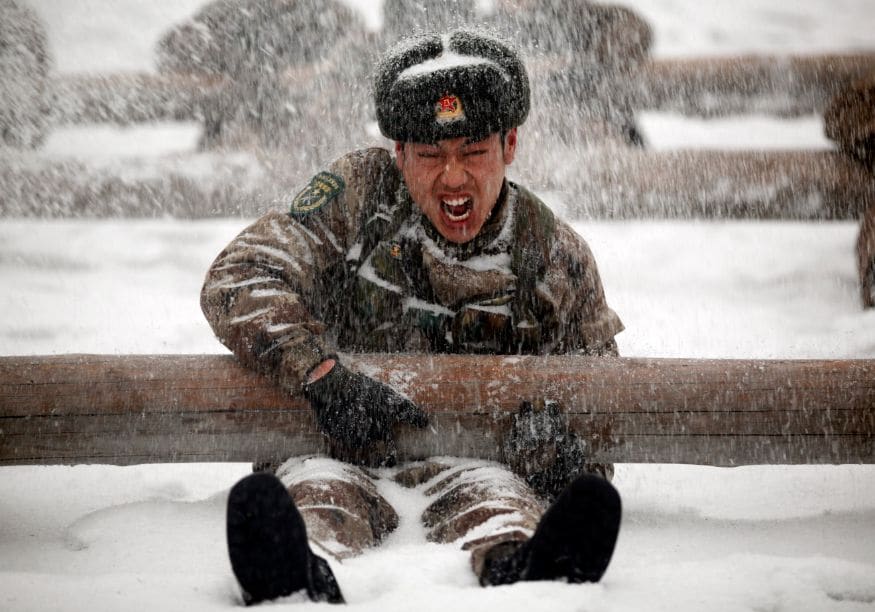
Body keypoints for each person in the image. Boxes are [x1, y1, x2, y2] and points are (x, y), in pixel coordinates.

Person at [201, 28, 625, 605]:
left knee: (500, 509)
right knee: (317, 501)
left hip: (476, 461)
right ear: (399, 154)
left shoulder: (550, 255)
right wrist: (321, 377)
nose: (452, 178)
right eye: (429, 155)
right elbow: (241, 275)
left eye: (473, 152)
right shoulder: (358, 198)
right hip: (331, 449)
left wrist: (562, 461)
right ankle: (297, 576)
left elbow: (603, 400)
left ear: (510, 145)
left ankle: (525, 573)